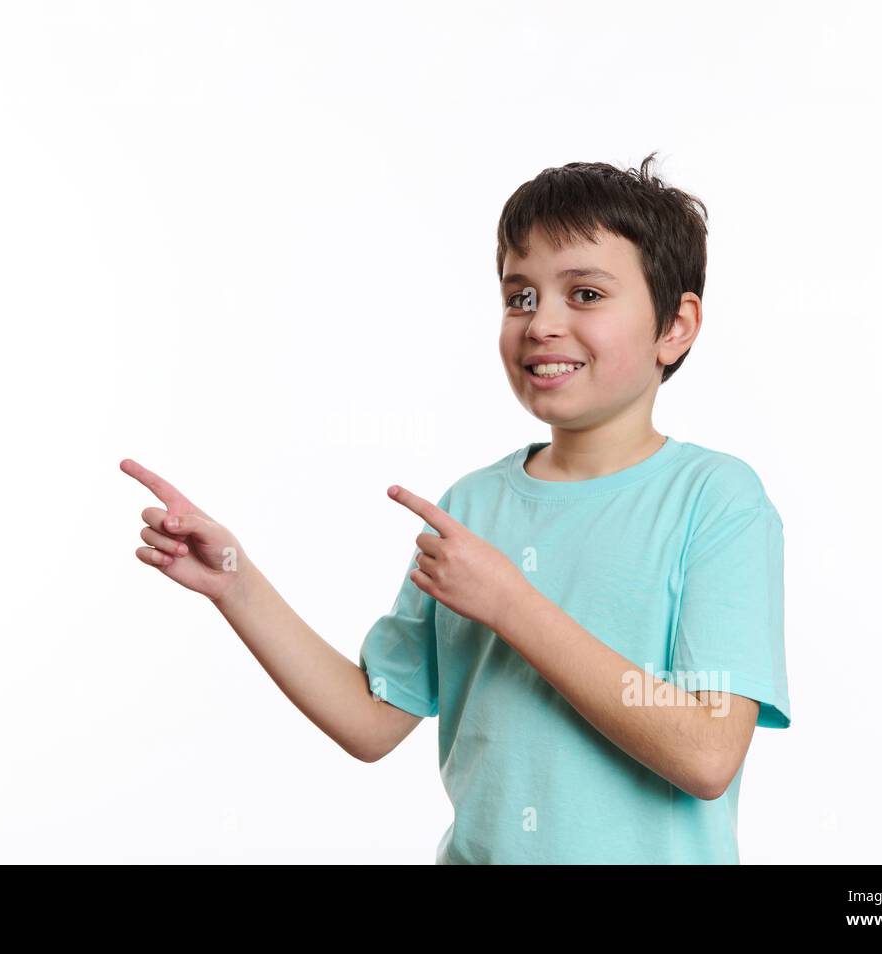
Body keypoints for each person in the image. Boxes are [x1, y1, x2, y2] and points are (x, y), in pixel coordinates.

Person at [121, 153, 791, 864]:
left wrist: (513, 606)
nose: (541, 325)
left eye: (586, 295)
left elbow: (708, 751)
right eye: (520, 297)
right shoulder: (470, 507)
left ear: (676, 326)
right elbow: (373, 718)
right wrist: (236, 583)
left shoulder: (716, 501)